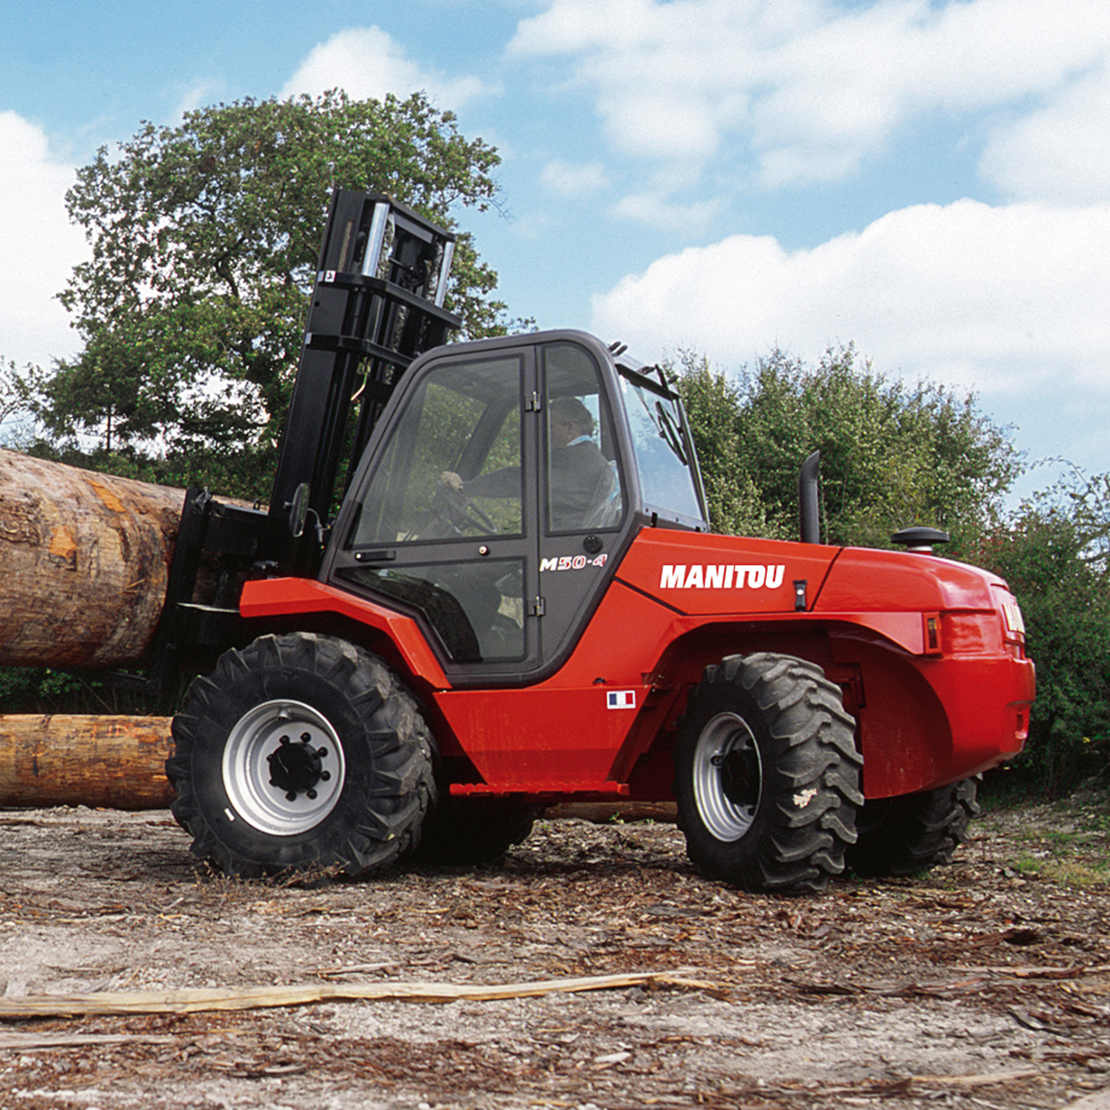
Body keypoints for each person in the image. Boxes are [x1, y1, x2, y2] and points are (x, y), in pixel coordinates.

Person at [439, 396, 615, 531]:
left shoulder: (572, 459)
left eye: (550, 427)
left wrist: (464, 487)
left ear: (570, 428)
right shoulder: (596, 461)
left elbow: (520, 479)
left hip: (555, 547)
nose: (545, 434)